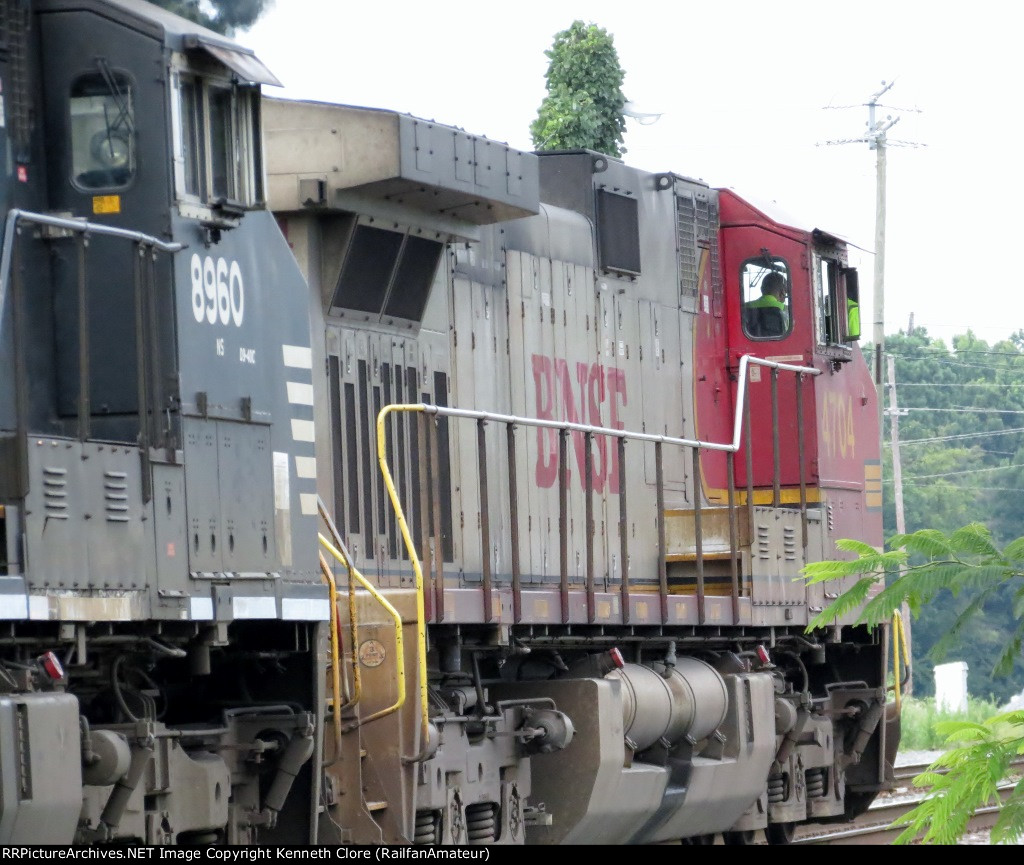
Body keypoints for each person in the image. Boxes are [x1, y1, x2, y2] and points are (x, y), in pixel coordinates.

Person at [744, 271, 789, 335]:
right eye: (786, 293)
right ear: (782, 293)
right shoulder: (787, 311)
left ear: (761, 289)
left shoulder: (744, 307)